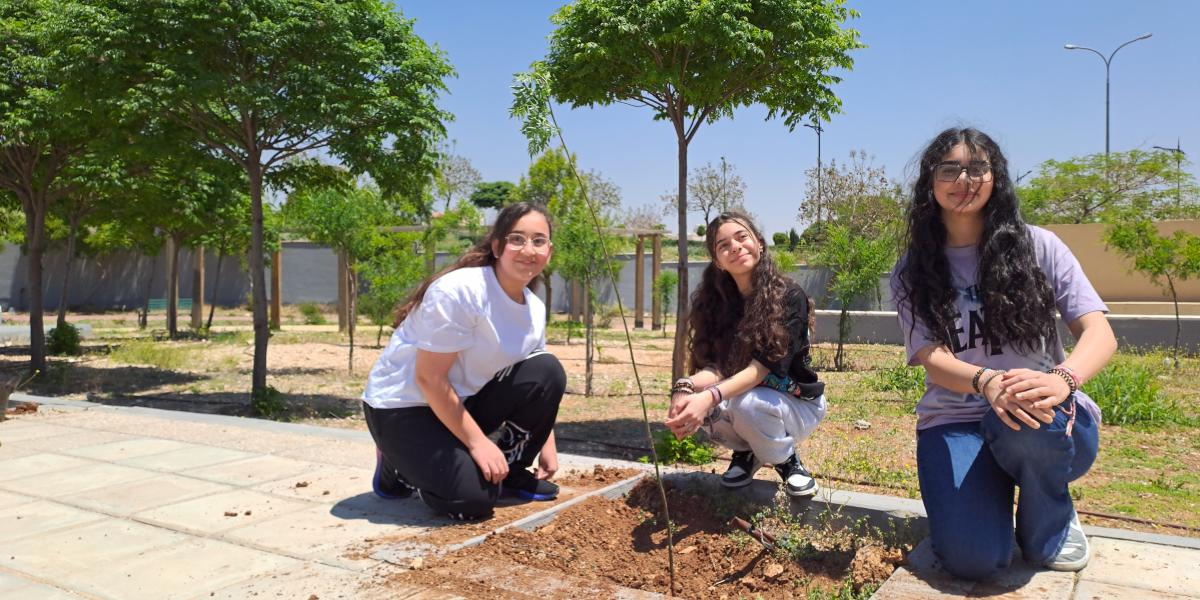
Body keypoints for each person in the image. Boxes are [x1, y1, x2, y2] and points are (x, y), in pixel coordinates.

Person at [891, 127, 1117, 579]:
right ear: (929, 181)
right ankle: (987, 508)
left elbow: (1099, 333)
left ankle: (1048, 517)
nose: (965, 179)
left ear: (996, 178)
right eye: (950, 168)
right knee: (975, 561)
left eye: (978, 168)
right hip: (954, 419)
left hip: (1043, 413)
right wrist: (985, 381)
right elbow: (931, 356)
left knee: (1023, 414)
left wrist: (1062, 380)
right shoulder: (912, 268)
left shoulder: (1040, 246)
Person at [362, 201, 566, 521]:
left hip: (459, 404)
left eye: (539, 240)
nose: (529, 249)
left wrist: (546, 444)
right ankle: (396, 465)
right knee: (472, 501)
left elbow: (536, 377)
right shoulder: (460, 291)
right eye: (517, 239)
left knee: (547, 368)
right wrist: (477, 444)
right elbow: (429, 379)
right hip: (403, 407)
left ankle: (509, 472)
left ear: (549, 251)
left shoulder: (534, 308)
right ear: (497, 246)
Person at [666, 211, 827, 497]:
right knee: (704, 403)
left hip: (796, 403)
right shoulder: (717, 303)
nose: (735, 247)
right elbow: (718, 369)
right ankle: (747, 452)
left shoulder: (789, 297)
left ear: (760, 244)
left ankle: (787, 460)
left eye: (742, 238)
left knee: (744, 404)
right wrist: (686, 386)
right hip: (751, 400)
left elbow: (760, 369)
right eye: (724, 245)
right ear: (717, 261)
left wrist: (710, 396)